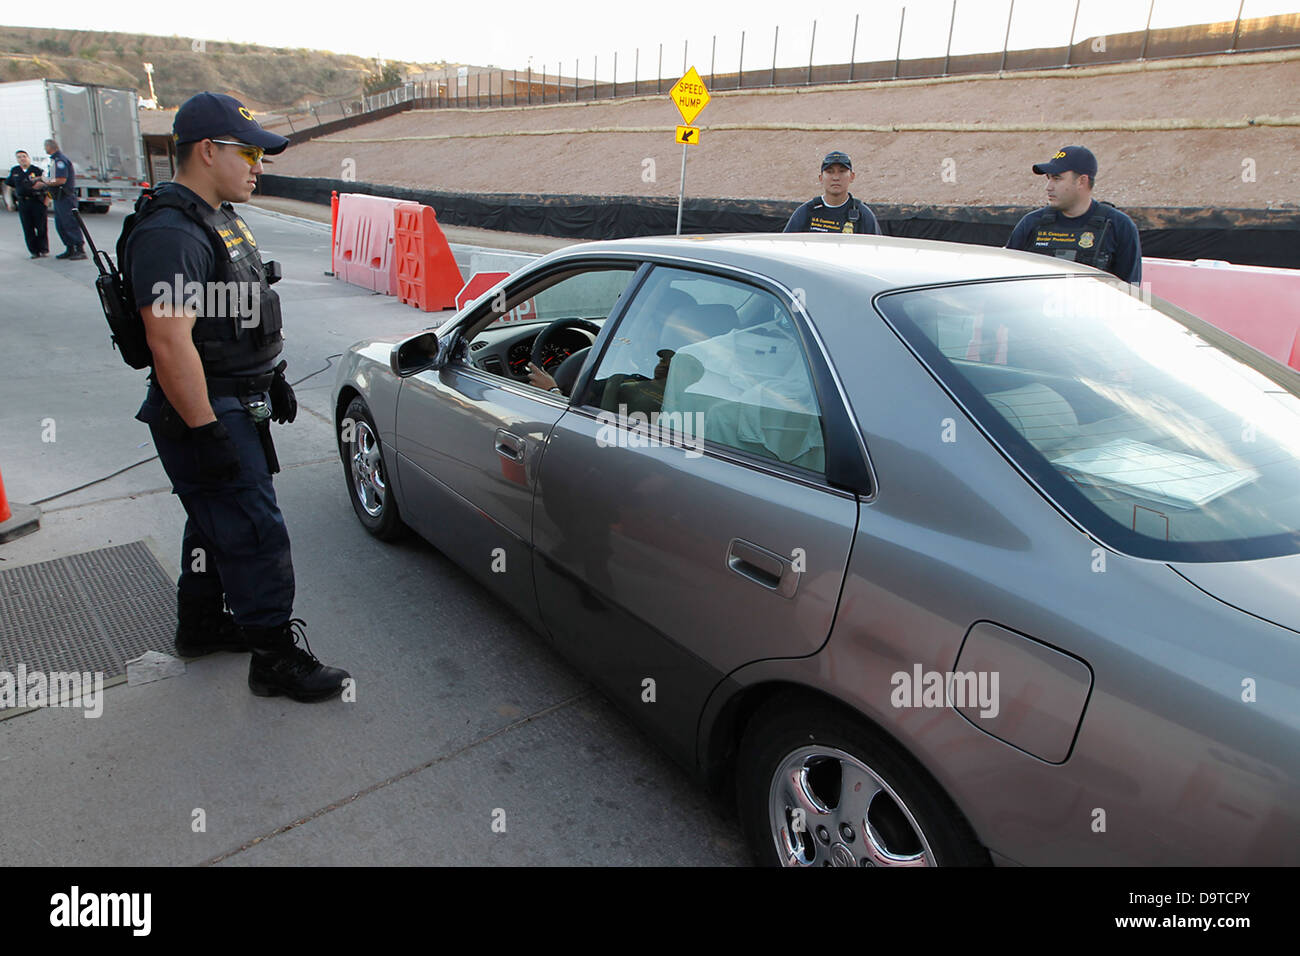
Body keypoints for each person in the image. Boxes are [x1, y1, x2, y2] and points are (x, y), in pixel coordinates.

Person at [125, 91, 350, 702]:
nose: (258, 165)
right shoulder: (172, 231)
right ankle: (274, 659)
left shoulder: (219, 215)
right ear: (206, 150)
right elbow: (169, 342)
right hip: (204, 405)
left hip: (233, 395)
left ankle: (199, 626)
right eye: (248, 152)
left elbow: (236, 310)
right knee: (253, 530)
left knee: (213, 520)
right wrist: (205, 431)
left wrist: (268, 374)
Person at [1006, 145, 1142, 284]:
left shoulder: (1119, 226)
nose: (1048, 187)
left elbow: (1131, 291)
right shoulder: (1031, 223)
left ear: (1081, 181)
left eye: (1057, 178)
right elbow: (1008, 282)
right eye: (1048, 178)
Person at [783, 150, 882, 235]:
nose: (835, 177)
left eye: (842, 171)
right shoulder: (806, 212)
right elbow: (786, 247)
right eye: (830, 172)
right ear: (821, 178)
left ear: (852, 176)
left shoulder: (863, 215)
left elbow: (877, 250)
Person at [33, 139, 84, 260]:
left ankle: (79, 249)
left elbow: (61, 180)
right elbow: (52, 178)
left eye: (45, 147)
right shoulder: (54, 160)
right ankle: (70, 248)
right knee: (60, 224)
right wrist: (42, 180)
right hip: (58, 197)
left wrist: (44, 182)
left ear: (50, 147)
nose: (45, 149)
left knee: (69, 222)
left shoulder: (60, 160)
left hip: (65, 197)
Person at [6, 150, 49, 258]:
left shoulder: (36, 170)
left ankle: (43, 249)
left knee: (41, 227)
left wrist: (47, 201)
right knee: (28, 227)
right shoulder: (15, 171)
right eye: (19, 157)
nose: (22, 159)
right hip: (23, 202)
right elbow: (8, 187)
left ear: (28, 157)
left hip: (37, 201)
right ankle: (34, 251)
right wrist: (9, 202)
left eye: (24, 156)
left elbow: (48, 185)